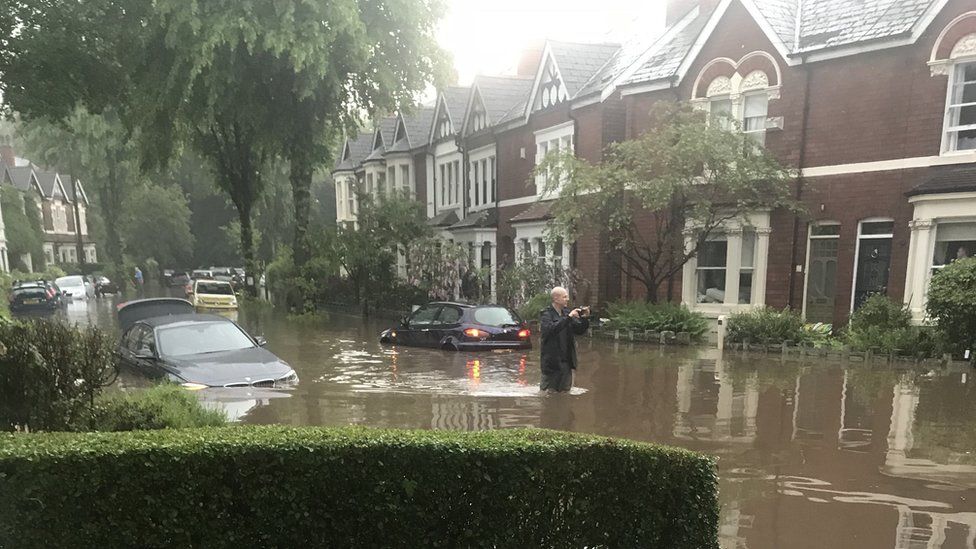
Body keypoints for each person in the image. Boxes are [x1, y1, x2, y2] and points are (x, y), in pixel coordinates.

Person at [539, 286, 590, 393]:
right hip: (551, 365)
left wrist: (584, 318)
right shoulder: (546, 314)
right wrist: (569, 318)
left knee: (565, 394)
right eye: (565, 297)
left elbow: (579, 330)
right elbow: (551, 329)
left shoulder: (567, 313)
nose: (567, 299)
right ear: (556, 299)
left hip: (566, 363)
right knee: (548, 395)